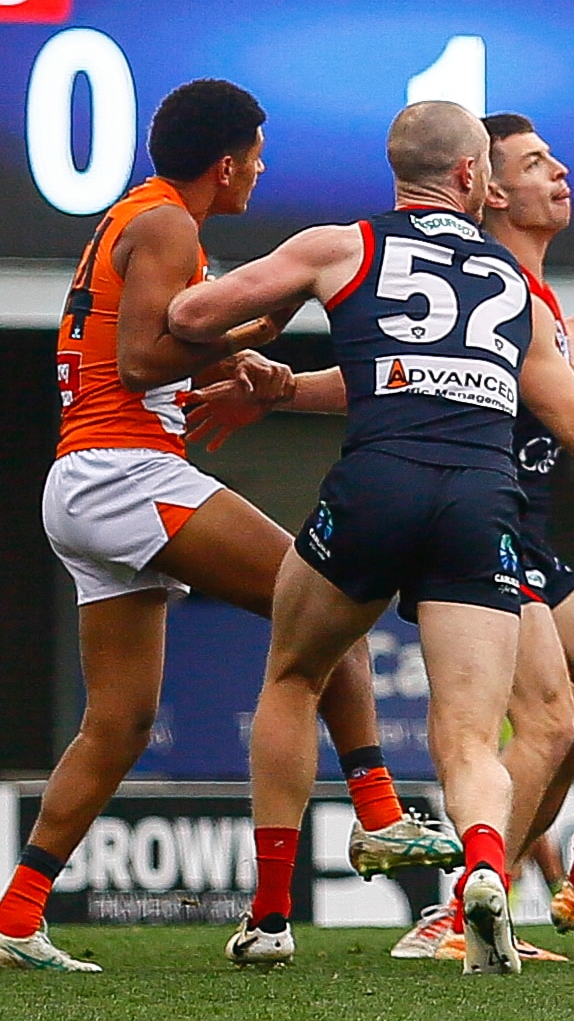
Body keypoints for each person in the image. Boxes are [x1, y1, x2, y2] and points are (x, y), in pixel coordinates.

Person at [166, 102, 574, 973]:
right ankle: (483, 869)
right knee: (476, 736)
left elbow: (189, 315)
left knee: (294, 674)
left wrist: (262, 343)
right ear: (475, 179)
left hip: (378, 481)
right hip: (484, 502)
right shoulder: (512, 284)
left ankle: (271, 916)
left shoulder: (344, 243)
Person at [1, 82, 456, 974]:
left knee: (120, 723)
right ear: (225, 160)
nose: (261, 164)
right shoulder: (169, 221)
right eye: (256, 150)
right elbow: (139, 359)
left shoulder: (144, 215)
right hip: (124, 470)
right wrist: (269, 323)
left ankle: (16, 915)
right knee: (327, 602)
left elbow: (139, 354)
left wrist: (239, 346)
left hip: (90, 477)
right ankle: (377, 814)